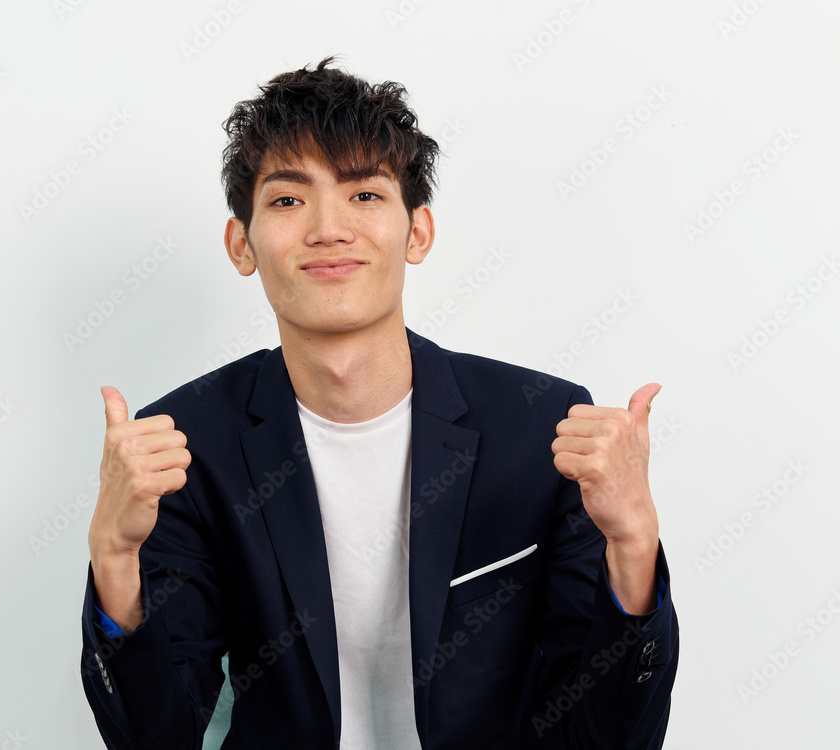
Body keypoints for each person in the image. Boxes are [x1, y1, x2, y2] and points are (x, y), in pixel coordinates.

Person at [80, 57, 678, 749]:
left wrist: (635, 546)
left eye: (364, 195)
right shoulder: (186, 447)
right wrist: (113, 558)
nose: (328, 228)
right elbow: (159, 735)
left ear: (417, 232)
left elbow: (608, 738)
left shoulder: (541, 429)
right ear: (240, 243)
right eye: (286, 199)